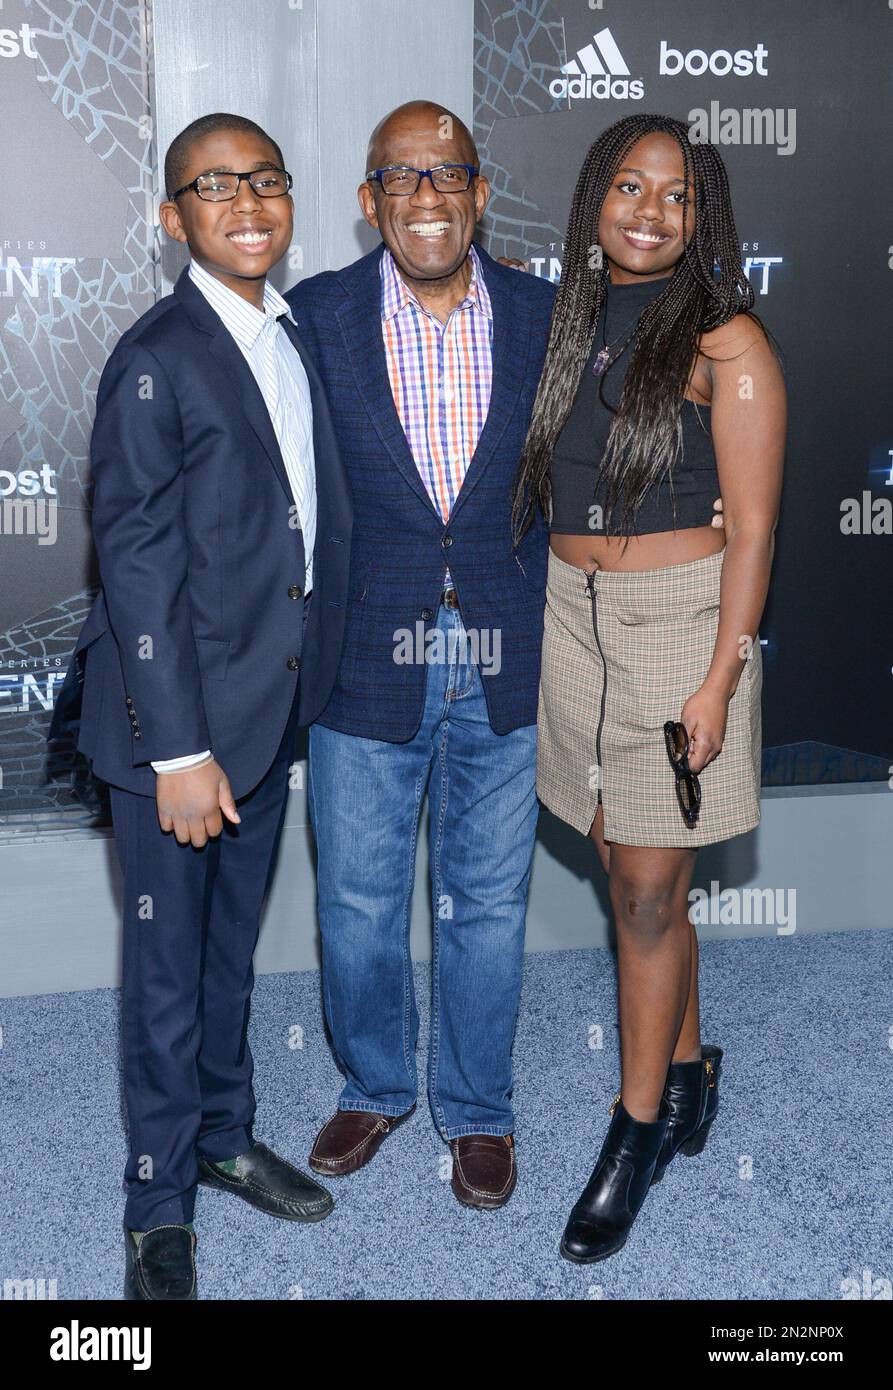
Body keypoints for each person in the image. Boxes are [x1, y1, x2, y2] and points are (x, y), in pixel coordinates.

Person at [60, 113, 352, 1298]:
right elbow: (130, 561)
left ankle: (225, 1138)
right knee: (167, 973)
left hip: (266, 711)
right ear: (172, 216)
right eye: (212, 185)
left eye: (267, 180)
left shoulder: (292, 334)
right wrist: (177, 751)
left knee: (229, 957)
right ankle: (155, 1202)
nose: (246, 202)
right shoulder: (156, 351)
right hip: (171, 738)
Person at [511, 113, 785, 1262]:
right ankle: (685, 1076)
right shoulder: (561, 323)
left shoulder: (727, 344)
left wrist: (720, 676)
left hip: (680, 633)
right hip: (569, 624)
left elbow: (756, 527)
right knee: (634, 870)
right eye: (626, 185)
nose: (646, 209)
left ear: (699, 215)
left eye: (673, 195)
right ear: (593, 200)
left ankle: (631, 1136)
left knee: (640, 897)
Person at [285, 101, 558, 1209]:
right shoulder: (314, 319)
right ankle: (376, 1084)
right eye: (401, 176)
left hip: (507, 642)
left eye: (447, 172)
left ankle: (478, 1112)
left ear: (480, 194)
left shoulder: (546, 315)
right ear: (368, 203)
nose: (427, 194)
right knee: (356, 900)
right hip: (362, 647)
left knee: (485, 901)